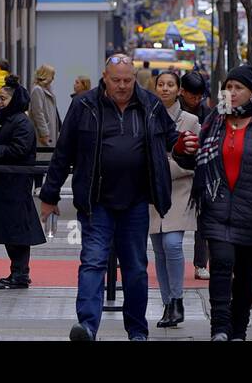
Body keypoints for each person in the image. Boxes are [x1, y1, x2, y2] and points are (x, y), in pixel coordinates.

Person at [39, 54, 197, 341]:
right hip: (96, 200)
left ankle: (137, 330)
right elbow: (63, 153)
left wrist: (184, 146)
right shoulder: (83, 105)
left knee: (135, 268)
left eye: (127, 80)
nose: (122, 86)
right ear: (104, 77)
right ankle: (87, 327)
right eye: (116, 80)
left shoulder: (150, 105)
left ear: (134, 78)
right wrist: (49, 195)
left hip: (136, 201)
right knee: (93, 262)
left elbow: (170, 138)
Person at [173, 64, 252, 341]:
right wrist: (181, 150)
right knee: (222, 266)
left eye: (238, 88)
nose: (232, 92)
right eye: (228, 87)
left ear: (251, 93)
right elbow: (197, 160)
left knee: (247, 274)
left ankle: (239, 329)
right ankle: (220, 329)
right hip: (217, 208)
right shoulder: (215, 120)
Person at [0, 75, 46, 288]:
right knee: (10, 229)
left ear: (13, 100)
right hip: (4, 182)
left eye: (2, 99)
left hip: (15, 183)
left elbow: (19, 149)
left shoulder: (20, 122)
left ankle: (20, 273)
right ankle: (17, 272)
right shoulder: (6, 119)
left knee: (17, 229)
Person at [149, 70, 200, 328]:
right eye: (161, 84)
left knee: (172, 244)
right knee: (158, 249)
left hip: (180, 191)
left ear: (179, 90)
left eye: (170, 85)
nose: (165, 88)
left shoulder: (190, 120)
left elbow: (194, 160)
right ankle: (167, 302)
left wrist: (165, 168)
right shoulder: (147, 115)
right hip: (153, 193)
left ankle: (177, 300)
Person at [178, 69, 213, 278]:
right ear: (183, 92)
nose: (196, 100)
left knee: (203, 218)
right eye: (193, 96)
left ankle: (201, 264)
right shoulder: (173, 110)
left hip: (200, 169)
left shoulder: (206, 112)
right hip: (177, 169)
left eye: (200, 96)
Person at [29, 64, 62, 149]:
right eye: (52, 76)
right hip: (43, 135)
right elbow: (38, 114)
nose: (53, 78)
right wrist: (44, 133)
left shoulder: (46, 89)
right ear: (46, 75)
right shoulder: (37, 90)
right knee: (44, 158)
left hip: (48, 132)